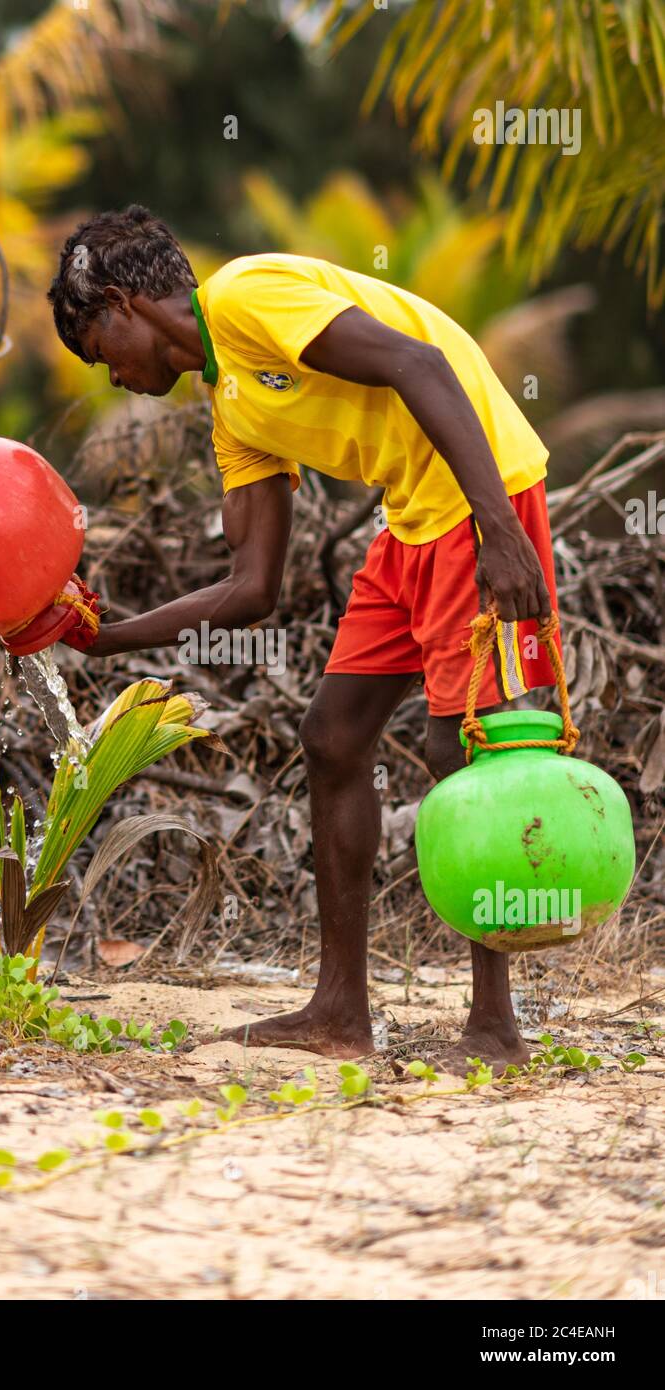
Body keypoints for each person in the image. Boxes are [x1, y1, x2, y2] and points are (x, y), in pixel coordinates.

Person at [48, 204, 560, 1070]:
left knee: (461, 747)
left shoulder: (246, 297)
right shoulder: (233, 411)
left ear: (123, 303)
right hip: (411, 524)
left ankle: (494, 1025)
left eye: (101, 351)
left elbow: (418, 362)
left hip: (482, 500)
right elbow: (253, 590)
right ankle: (338, 1012)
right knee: (331, 738)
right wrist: (103, 638)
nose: (112, 377)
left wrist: (498, 530)